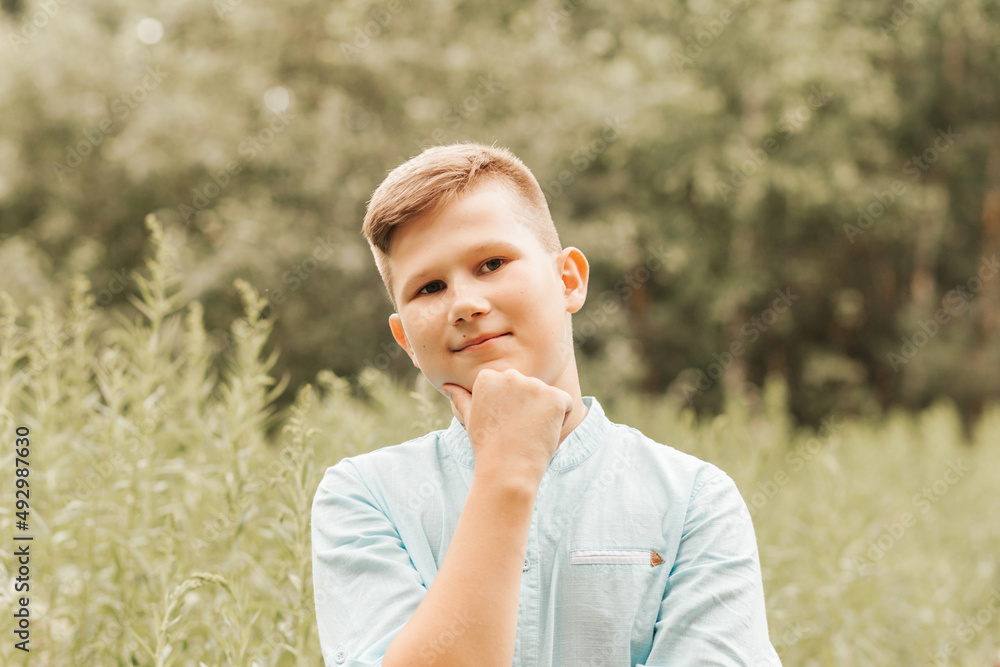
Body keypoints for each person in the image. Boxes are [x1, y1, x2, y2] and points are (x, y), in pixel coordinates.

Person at [311, 142, 782, 667]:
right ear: (404, 339)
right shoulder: (363, 499)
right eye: (429, 287)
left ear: (569, 280)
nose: (465, 304)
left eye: (491, 263)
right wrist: (505, 472)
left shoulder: (694, 500)